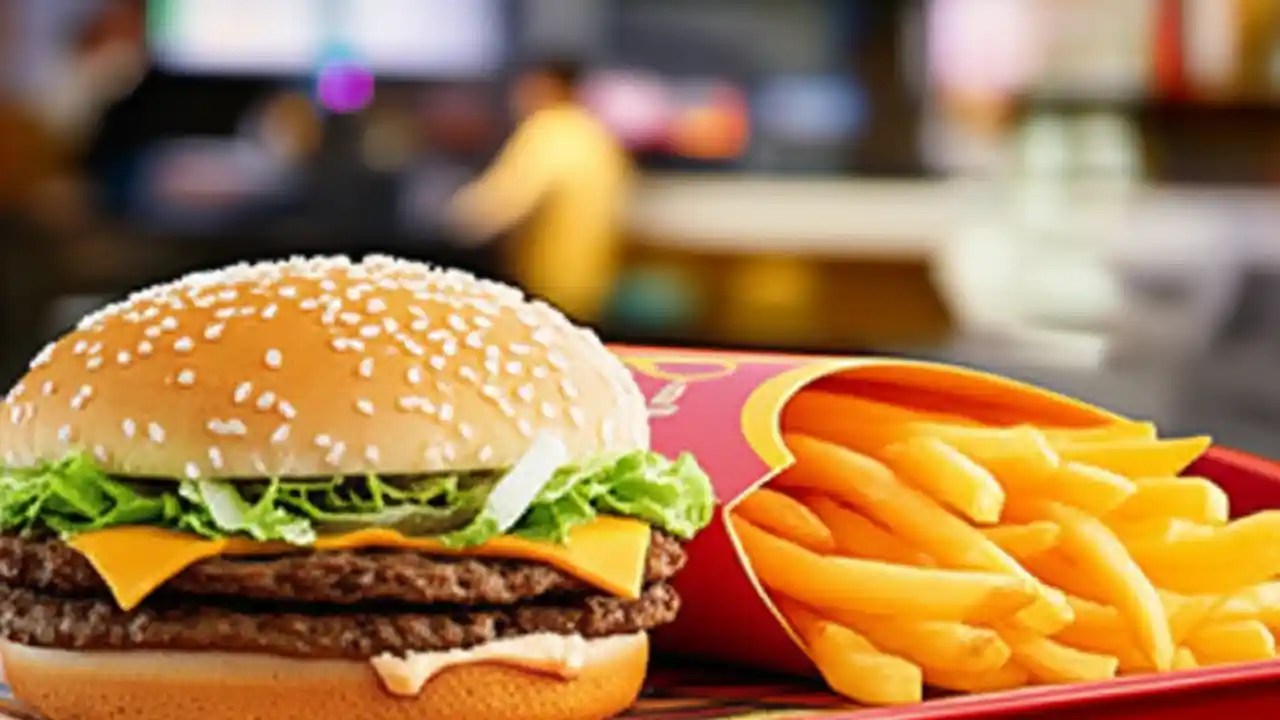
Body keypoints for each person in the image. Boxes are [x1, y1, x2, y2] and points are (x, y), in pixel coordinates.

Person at [449, 57, 633, 324]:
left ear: (547, 86)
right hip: (592, 282)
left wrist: (450, 223)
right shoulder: (595, 132)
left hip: (547, 285)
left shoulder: (548, 131)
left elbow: (501, 201)